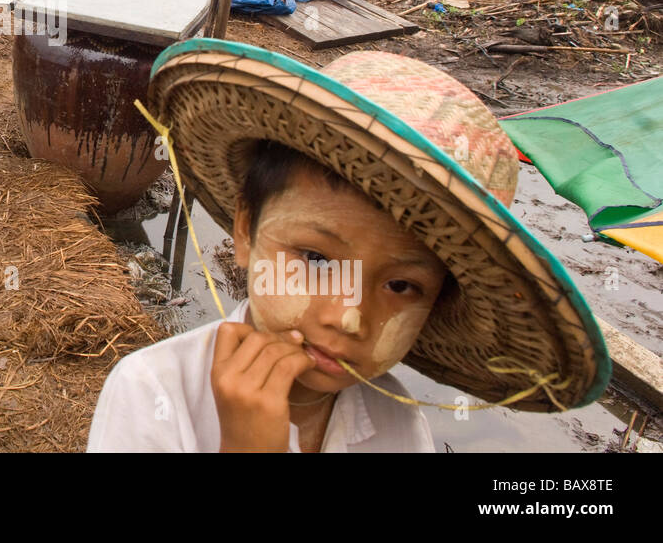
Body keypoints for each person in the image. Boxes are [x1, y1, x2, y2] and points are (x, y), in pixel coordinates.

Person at [87, 44, 609, 452]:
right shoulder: (154, 393)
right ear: (245, 231)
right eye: (316, 259)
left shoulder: (394, 420)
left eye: (401, 285)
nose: (350, 318)